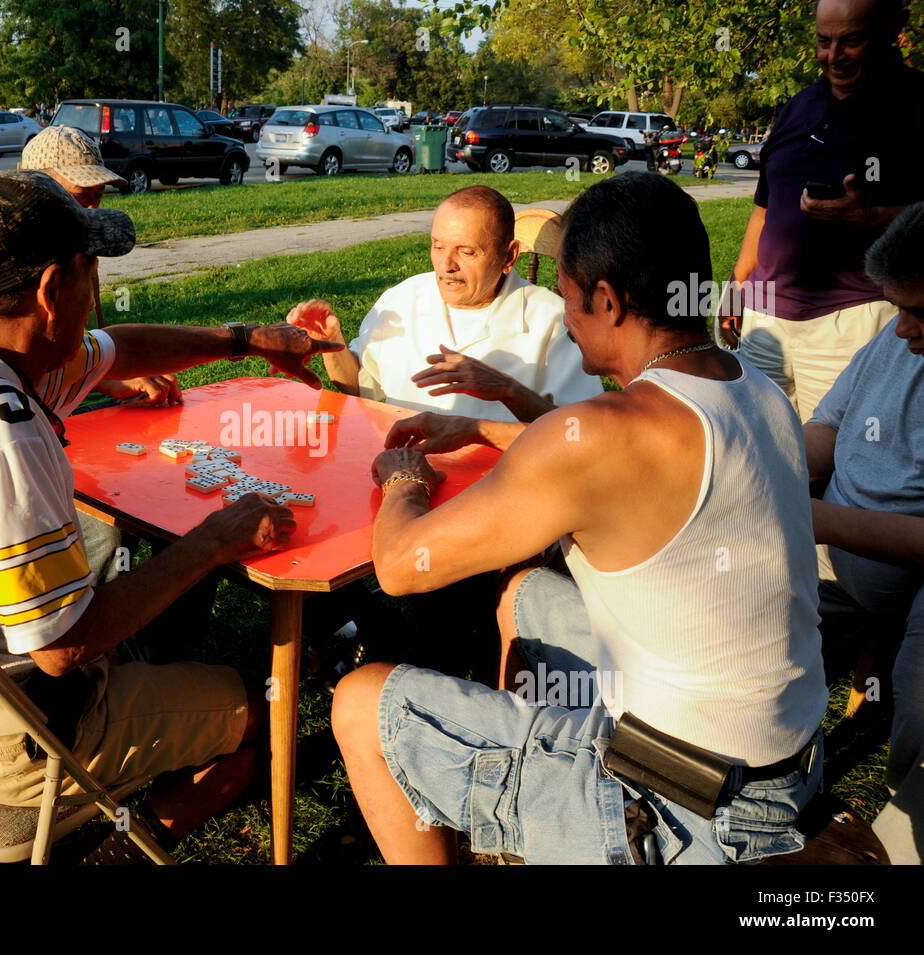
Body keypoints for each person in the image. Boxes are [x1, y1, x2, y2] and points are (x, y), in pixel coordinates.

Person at [331, 172, 827, 865]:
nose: (563, 317)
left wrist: (404, 479)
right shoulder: (755, 389)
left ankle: (549, 808)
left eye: (566, 298)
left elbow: (401, 564)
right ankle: (527, 806)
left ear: (606, 300)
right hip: (786, 767)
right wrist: (481, 423)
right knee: (524, 593)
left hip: (682, 810)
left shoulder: (608, 435)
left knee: (360, 700)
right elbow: (591, 453)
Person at [0, 170, 341, 852]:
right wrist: (214, 539)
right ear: (51, 289)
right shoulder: (4, 434)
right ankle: (127, 844)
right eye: (90, 269)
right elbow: (64, 647)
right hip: (16, 726)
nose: (96, 292)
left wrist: (246, 338)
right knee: (262, 705)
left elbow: (119, 347)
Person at [719, 0, 924, 421]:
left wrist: (871, 217)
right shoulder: (799, 106)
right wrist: (737, 285)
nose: (834, 56)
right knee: (761, 447)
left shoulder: (915, 104)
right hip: (765, 318)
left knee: (831, 457)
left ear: (888, 35)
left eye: (851, 41)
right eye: (823, 41)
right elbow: (765, 208)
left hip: (852, 320)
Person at [806, 201, 924, 865]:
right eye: (896, 306)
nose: (902, 328)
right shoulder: (897, 333)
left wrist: (818, 519)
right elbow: (825, 430)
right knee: (740, 620)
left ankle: (899, 844)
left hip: (909, 581)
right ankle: (751, 797)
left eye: (920, 311)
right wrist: (763, 474)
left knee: (922, 709)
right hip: (835, 553)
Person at [286, 185, 601, 423]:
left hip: (498, 488)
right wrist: (332, 344)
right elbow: (360, 389)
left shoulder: (554, 322)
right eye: (438, 246)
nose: (445, 265)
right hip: (402, 472)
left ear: (508, 257)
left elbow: (578, 433)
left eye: (466, 252)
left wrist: (508, 390)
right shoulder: (402, 299)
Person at [19, 124, 180, 407]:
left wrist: (128, 371)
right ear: (35, 191)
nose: (93, 211)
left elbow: (92, 342)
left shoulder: (80, 246)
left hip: (93, 406)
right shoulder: (17, 262)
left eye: (98, 195)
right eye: (81, 196)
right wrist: (108, 379)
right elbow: (19, 366)